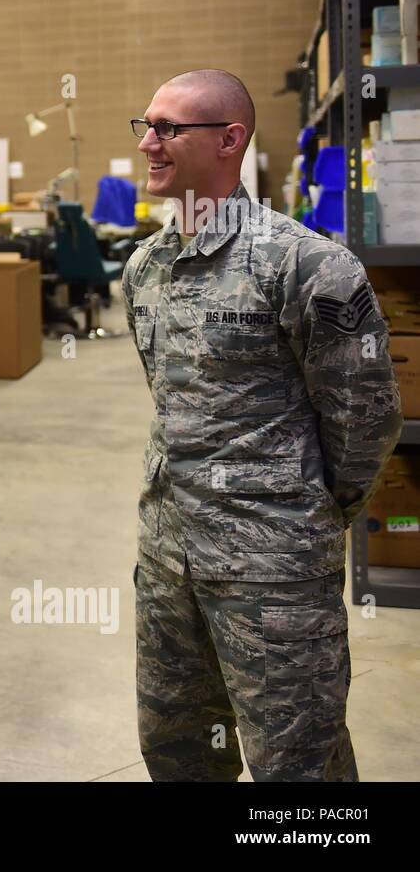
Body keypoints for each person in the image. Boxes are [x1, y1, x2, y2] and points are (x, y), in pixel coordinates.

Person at [123, 69, 402, 781]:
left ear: (229, 140)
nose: (149, 143)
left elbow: (365, 421)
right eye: (145, 125)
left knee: (297, 766)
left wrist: (299, 515)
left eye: (168, 128)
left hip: (274, 576)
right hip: (168, 563)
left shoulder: (308, 265)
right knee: (178, 751)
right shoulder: (144, 269)